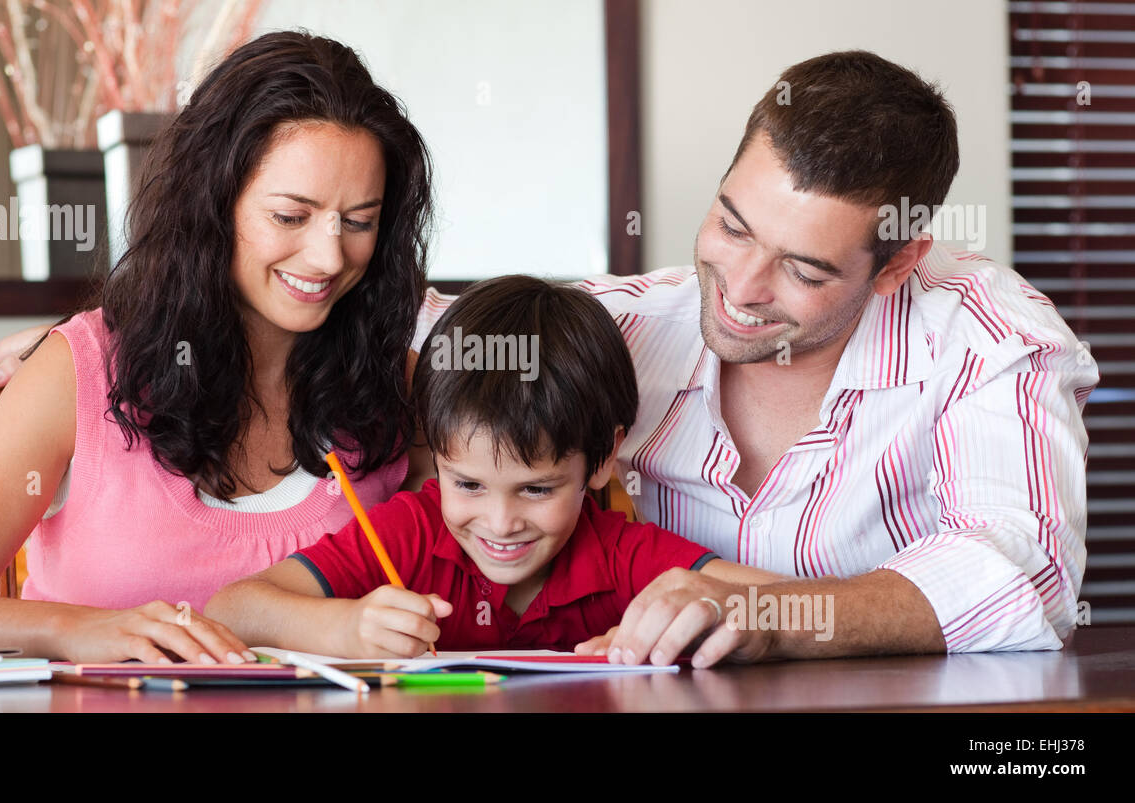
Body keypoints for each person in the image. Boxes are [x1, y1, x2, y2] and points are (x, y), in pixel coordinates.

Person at [410, 51, 1099, 668]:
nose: (740, 289)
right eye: (732, 227)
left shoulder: (989, 339)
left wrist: (774, 612)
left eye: (804, 270)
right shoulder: (634, 325)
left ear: (898, 263)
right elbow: (398, 326)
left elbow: (1024, 577)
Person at [0, 31, 434, 664]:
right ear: (214, 203)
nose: (330, 255)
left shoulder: (395, 389)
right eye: (290, 216)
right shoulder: (76, 371)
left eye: (358, 222)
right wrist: (74, 630)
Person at [204, 276, 783, 655]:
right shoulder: (411, 532)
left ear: (604, 458)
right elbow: (235, 607)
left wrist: (685, 620)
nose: (500, 522)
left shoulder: (620, 553)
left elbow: (793, 602)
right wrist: (347, 628)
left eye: (535, 489)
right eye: (469, 484)